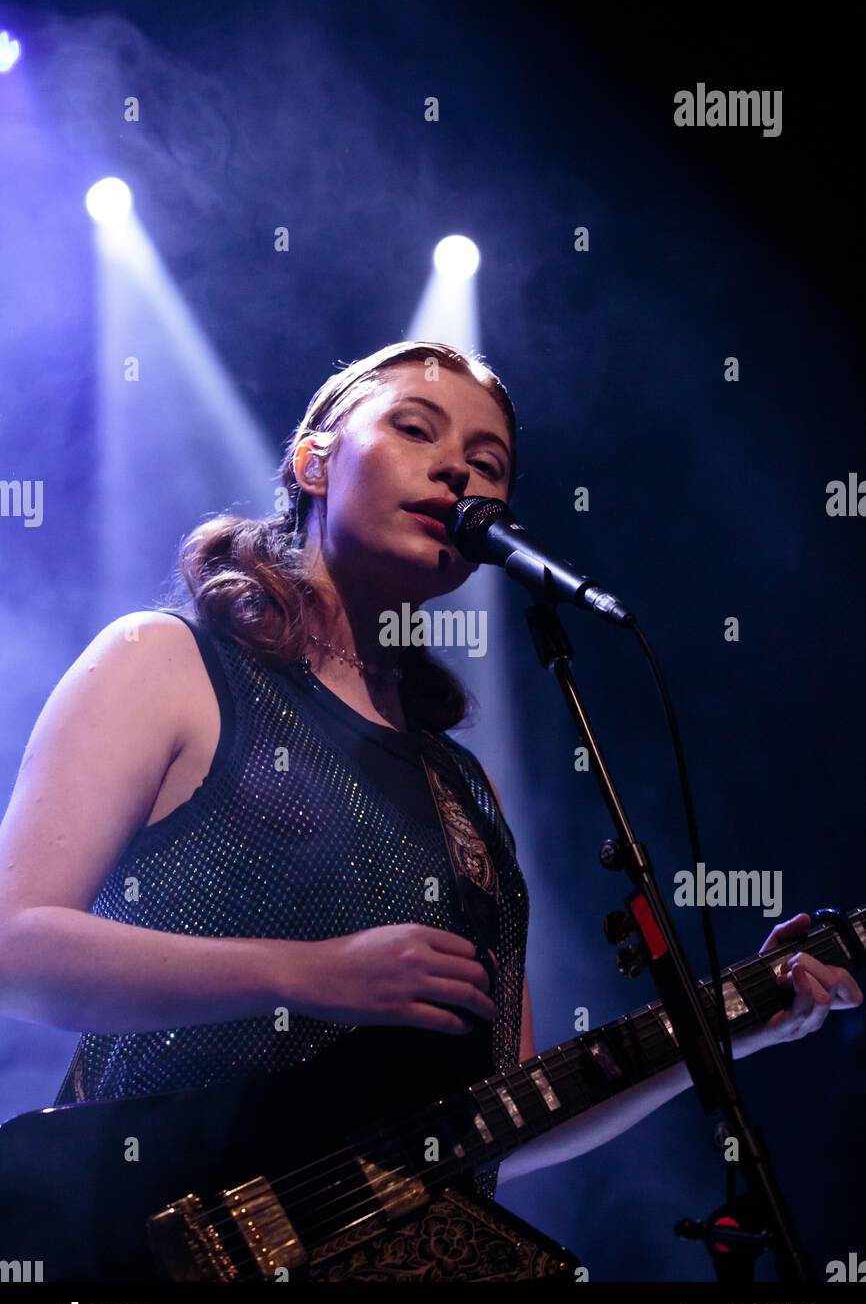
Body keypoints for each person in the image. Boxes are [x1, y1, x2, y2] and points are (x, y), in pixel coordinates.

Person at [0, 340, 860, 1210]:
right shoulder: (165, 659)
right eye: (415, 430)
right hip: (126, 1236)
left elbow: (501, 1119)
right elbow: (14, 946)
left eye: (488, 465)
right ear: (314, 464)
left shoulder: (464, 793)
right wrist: (309, 974)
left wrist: (731, 1030)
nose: (458, 471)